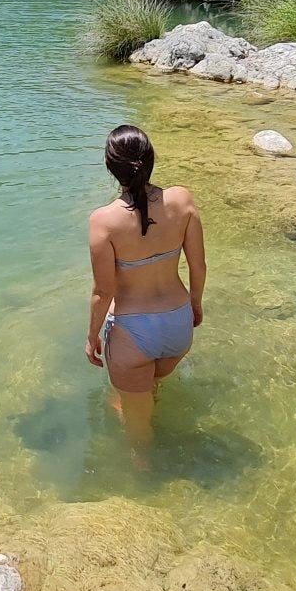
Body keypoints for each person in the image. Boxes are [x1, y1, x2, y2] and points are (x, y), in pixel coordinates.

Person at [85, 124, 206, 458]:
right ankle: (140, 398)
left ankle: (145, 482)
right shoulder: (182, 200)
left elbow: (102, 291)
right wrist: (195, 304)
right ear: (151, 159)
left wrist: (91, 336)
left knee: (139, 438)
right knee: (151, 387)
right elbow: (198, 266)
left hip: (132, 333)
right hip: (178, 325)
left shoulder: (103, 221)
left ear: (111, 168)